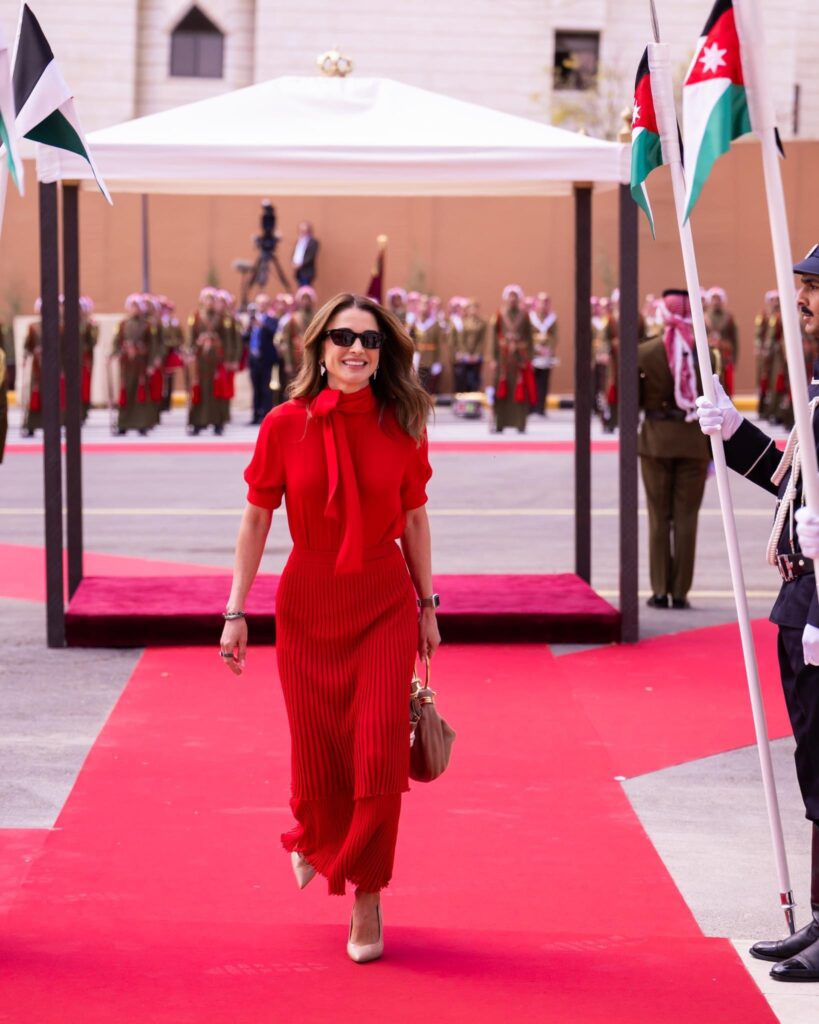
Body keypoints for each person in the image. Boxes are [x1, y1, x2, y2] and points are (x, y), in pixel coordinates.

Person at [220, 292, 439, 964]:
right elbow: (256, 519)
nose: (355, 349)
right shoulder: (284, 425)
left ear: (383, 355)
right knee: (318, 751)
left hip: (382, 602)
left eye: (369, 340)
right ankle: (318, 837)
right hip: (308, 603)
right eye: (342, 336)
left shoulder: (402, 422)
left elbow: (414, 519)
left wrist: (427, 605)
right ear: (318, 348)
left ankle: (365, 896)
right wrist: (235, 611)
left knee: (376, 753)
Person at [697, 244, 819, 983]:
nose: (798, 302)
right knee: (816, 767)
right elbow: (792, 480)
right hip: (804, 599)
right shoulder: (817, 386)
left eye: (809, 291)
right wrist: (731, 432)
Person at [638, 289, 714, 610]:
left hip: (656, 441)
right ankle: (680, 592)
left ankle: (659, 590)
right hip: (694, 442)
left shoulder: (645, 352)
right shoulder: (708, 353)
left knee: (658, 518)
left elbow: (634, 402)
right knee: (686, 518)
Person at [111, 294, 161, 436]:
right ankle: (123, 423)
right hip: (127, 363)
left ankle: (142, 423)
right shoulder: (122, 325)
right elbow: (116, 342)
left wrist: (151, 363)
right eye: (132, 306)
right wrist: (115, 353)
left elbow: (154, 345)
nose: (134, 309)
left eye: (137, 306)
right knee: (126, 392)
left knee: (141, 392)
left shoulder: (148, 325)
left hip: (141, 363)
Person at [491, 284, 534, 433]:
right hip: (503, 359)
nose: (512, 299)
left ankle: (520, 423)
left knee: (520, 390)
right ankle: (500, 423)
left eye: (515, 296)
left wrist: (527, 354)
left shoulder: (525, 315)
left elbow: (530, 338)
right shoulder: (499, 314)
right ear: (506, 298)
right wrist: (494, 358)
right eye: (510, 296)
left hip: (519, 359)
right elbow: (494, 338)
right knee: (501, 389)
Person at [705, 287, 738, 397]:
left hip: (725, 355)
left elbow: (735, 340)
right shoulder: (704, 316)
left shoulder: (729, 317)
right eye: (713, 298)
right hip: (709, 354)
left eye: (718, 298)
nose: (716, 301)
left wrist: (734, 359)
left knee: (725, 382)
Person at [529, 292, 558, 416]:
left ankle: (541, 407)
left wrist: (548, 348)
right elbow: (528, 335)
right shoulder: (531, 317)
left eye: (546, 302)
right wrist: (536, 347)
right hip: (534, 353)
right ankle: (531, 407)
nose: (543, 305)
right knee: (531, 381)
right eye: (541, 302)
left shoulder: (552, 319)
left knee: (544, 381)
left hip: (546, 354)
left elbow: (554, 336)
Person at [410, 295, 442, 395]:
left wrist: (438, 361)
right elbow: (411, 340)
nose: (424, 307)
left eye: (426, 304)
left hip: (430, 358)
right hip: (417, 358)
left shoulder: (434, 324)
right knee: (416, 384)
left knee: (427, 386)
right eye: (422, 304)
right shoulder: (414, 323)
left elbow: (439, 344)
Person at [453, 298, 486, 394]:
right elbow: (461, 339)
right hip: (465, 355)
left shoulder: (482, 323)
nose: (473, 310)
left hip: (476, 355)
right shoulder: (463, 322)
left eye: (475, 308)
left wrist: (476, 354)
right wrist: (466, 354)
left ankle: (474, 399)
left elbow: (482, 340)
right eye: (471, 308)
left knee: (475, 379)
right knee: (464, 379)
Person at [292, 221, 319, 287]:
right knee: (300, 288)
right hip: (299, 272)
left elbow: (310, 256)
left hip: (307, 271)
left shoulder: (313, 242)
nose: (302, 233)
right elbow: (295, 253)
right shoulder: (299, 241)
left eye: (304, 231)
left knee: (306, 289)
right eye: (300, 231)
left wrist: (300, 264)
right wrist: (293, 262)